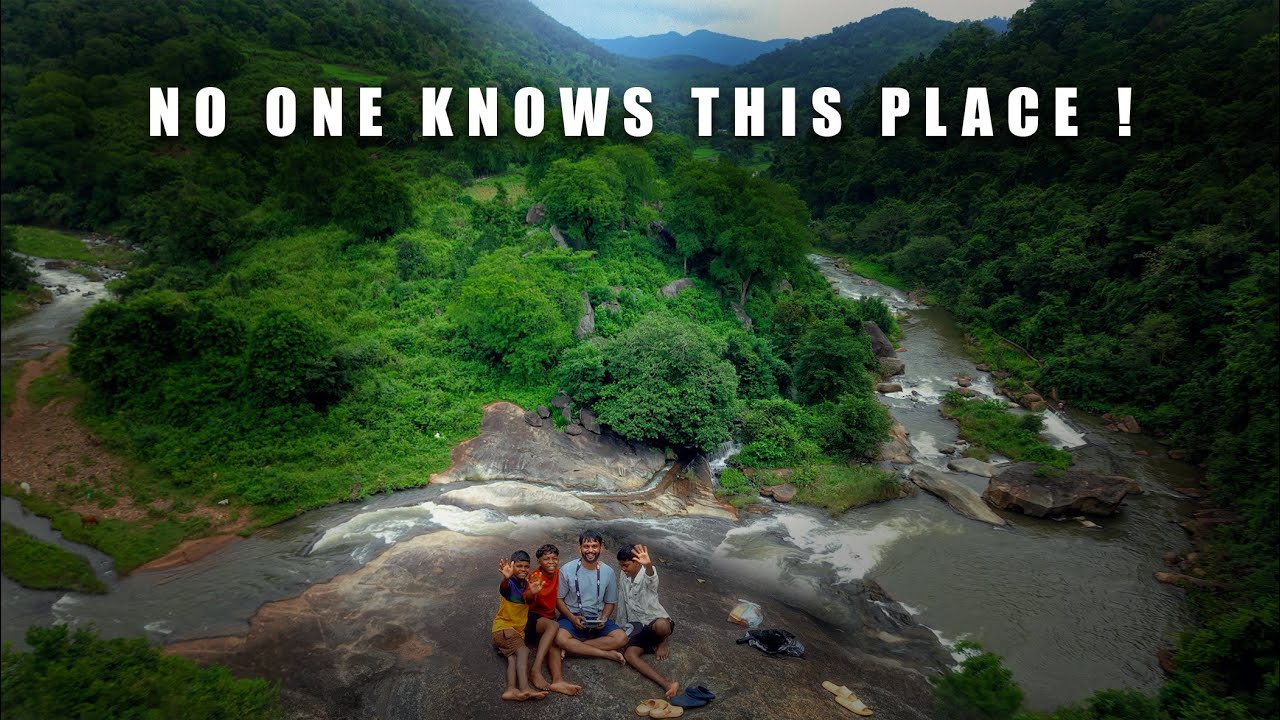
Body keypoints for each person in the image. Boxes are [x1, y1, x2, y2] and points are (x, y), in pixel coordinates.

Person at [616, 544, 680, 699]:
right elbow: (622, 600)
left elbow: (652, 579)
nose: (623, 569)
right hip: (638, 626)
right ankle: (668, 684)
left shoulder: (647, 573)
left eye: (626, 565)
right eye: (621, 565)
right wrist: (621, 628)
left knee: (662, 625)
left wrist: (649, 565)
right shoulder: (623, 575)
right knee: (629, 655)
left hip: (654, 621)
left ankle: (662, 641)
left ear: (637, 562)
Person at [556, 529, 631, 655]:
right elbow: (559, 599)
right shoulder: (567, 569)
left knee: (622, 638)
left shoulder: (608, 572)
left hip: (597, 619)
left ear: (601, 548)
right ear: (579, 548)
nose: (590, 550)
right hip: (572, 617)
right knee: (559, 637)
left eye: (594, 546)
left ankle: (572, 647)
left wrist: (604, 617)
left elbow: (610, 602)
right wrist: (572, 618)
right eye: (586, 546)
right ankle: (607, 654)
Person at [524, 543, 583, 696]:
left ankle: (558, 680)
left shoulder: (559, 573)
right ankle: (535, 670)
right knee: (553, 626)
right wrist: (532, 592)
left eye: (554, 558)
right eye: (546, 559)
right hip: (531, 618)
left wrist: (572, 617)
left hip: (548, 618)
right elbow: (527, 601)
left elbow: (559, 599)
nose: (551, 562)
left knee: (555, 639)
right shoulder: (535, 576)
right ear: (539, 562)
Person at [491, 551, 548, 702]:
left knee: (513, 659)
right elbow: (503, 589)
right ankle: (525, 688)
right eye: (519, 566)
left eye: (526, 566)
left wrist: (533, 593)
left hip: (509, 633)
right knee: (523, 651)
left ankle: (511, 690)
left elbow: (527, 599)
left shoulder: (527, 584)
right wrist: (505, 578)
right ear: (512, 566)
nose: (523, 569)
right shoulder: (510, 583)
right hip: (504, 629)